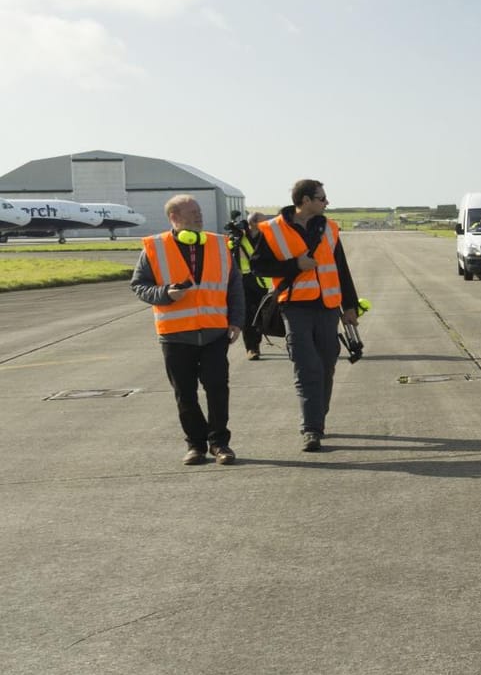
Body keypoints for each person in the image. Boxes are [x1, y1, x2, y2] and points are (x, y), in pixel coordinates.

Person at [130, 194, 245, 465]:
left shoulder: (220, 245)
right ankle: (196, 445)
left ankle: (220, 443)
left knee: (217, 389)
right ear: (174, 217)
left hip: (214, 332)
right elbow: (139, 285)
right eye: (192, 211)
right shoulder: (155, 247)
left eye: (199, 211)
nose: (199, 215)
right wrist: (165, 294)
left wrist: (237, 320)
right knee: (185, 393)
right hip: (175, 334)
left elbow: (234, 286)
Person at [251, 179, 361, 452]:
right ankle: (311, 428)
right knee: (306, 366)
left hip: (328, 307)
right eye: (322, 198)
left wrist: (350, 307)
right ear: (305, 200)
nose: (327, 202)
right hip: (295, 307)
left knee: (326, 364)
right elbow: (258, 267)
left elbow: (341, 268)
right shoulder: (272, 229)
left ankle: (317, 415)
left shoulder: (330, 228)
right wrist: (295, 265)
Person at [227, 213, 270, 360]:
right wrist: (234, 239)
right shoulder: (239, 236)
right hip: (244, 280)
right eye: (264, 221)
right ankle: (252, 347)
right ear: (254, 223)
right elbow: (230, 251)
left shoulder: (267, 237)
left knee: (260, 314)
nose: (267, 224)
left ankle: (256, 342)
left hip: (262, 281)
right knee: (248, 315)